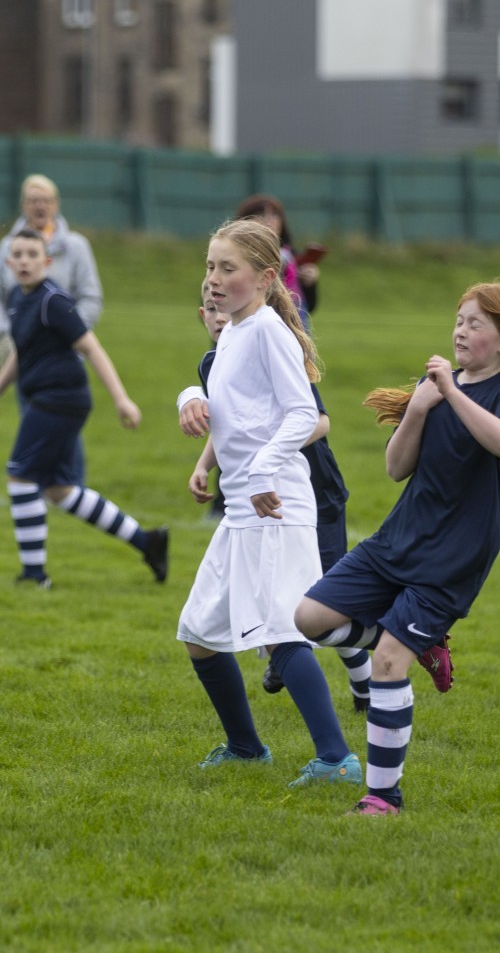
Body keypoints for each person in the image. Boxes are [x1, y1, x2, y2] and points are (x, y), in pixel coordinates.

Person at [295, 281, 500, 816]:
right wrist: (418, 406)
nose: (461, 331)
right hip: (399, 536)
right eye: (459, 320)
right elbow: (396, 468)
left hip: (454, 554)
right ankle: (422, 642)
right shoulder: (435, 385)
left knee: (389, 661)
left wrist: (452, 391)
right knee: (309, 618)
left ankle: (382, 796)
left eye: (475, 324)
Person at [174, 218, 360, 789]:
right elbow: (229, 397)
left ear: (262, 277)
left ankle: (336, 760)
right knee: (200, 633)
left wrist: (257, 470)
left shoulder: (268, 331)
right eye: (210, 266)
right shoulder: (233, 331)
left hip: (277, 504)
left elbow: (305, 413)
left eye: (227, 268)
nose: (213, 278)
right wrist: (189, 399)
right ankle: (246, 747)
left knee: (281, 631)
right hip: (242, 507)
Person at [179, 286, 371, 711]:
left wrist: (270, 452)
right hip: (263, 495)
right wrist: (203, 464)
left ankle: (364, 681)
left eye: (222, 307)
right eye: (209, 310)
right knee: (288, 605)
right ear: (201, 315)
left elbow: (318, 421)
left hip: (310, 492)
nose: (218, 316)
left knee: (323, 601)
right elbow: (230, 424)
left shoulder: (269, 340)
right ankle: (284, 651)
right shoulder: (214, 360)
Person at [0, 229, 167, 588]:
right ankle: (149, 542)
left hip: (60, 400)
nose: (24, 261)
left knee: (20, 476)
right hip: (47, 399)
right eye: (16, 255)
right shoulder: (18, 297)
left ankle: (35, 577)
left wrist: (121, 399)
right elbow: (22, 352)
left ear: (47, 262)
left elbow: (92, 349)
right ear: (7, 264)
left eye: (32, 254)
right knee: (59, 490)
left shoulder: (54, 301)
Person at [0, 175, 103, 375]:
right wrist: (3, 335)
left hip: (64, 352)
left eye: (46, 200)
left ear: (56, 205)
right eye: (33, 201)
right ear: (23, 205)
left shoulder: (76, 246)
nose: (40, 206)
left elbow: (91, 297)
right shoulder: (7, 246)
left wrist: (70, 333)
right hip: (20, 351)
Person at [234, 194, 319, 319]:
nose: (268, 220)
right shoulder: (234, 254)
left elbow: (308, 307)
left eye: (275, 215)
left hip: (293, 325)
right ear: (244, 220)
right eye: (260, 214)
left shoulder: (291, 256)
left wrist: (309, 284)